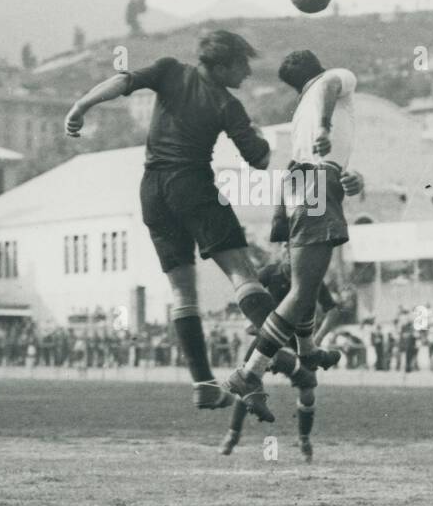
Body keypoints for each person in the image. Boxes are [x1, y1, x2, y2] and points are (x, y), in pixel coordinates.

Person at [65, 30, 284, 417]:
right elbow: (259, 160)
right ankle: (285, 352)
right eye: (241, 64)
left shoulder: (168, 71)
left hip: (152, 191)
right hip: (193, 185)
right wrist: (265, 140)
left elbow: (122, 81)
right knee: (242, 273)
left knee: (183, 293)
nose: (248, 72)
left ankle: (203, 385)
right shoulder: (226, 103)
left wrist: (81, 105)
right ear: (219, 66)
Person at [228, 50, 358, 461]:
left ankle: (307, 352)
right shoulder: (331, 80)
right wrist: (325, 129)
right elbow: (332, 87)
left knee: (309, 280)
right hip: (318, 180)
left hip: (302, 182)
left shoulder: (302, 104)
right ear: (318, 68)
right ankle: (249, 374)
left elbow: (310, 159)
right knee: (303, 290)